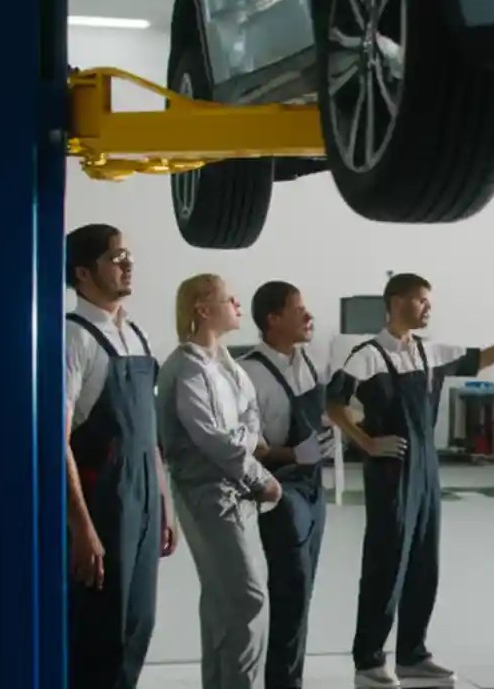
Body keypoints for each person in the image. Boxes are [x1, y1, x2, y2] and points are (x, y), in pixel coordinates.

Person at [327, 273, 494, 689]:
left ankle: (413, 655)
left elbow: (483, 357)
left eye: (428, 301)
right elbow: (334, 403)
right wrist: (366, 442)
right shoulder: (366, 356)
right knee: (386, 563)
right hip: (391, 470)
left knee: (423, 562)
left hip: (426, 470)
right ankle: (369, 660)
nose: (428, 308)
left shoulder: (430, 353)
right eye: (420, 301)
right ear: (396, 302)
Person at [157, 273, 283, 689]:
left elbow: (250, 420)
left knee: (221, 602)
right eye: (230, 300)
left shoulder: (226, 365)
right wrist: (258, 474)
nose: (238, 306)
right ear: (202, 309)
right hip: (207, 496)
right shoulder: (187, 368)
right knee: (247, 600)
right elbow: (212, 438)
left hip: (235, 497)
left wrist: (244, 446)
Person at [64, 224, 176, 689]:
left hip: (145, 500)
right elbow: (56, 437)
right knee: (101, 629)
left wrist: (165, 504)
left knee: (139, 623)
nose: (127, 263)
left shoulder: (138, 333)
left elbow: (148, 434)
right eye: (116, 257)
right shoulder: (74, 338)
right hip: (104, 501)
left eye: (128, 254)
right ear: (84, 273)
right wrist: (81, 526)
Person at [240, 281, 336, 689]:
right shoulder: (248, 373)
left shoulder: (311, 361)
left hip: (315, 488)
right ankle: (282, 682)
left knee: (305, 587)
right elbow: (248, 445)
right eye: (299, 310)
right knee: (291, 586)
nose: (309, 316)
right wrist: (294, 455)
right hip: (278, 491)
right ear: (273, 319)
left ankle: (290, 678)